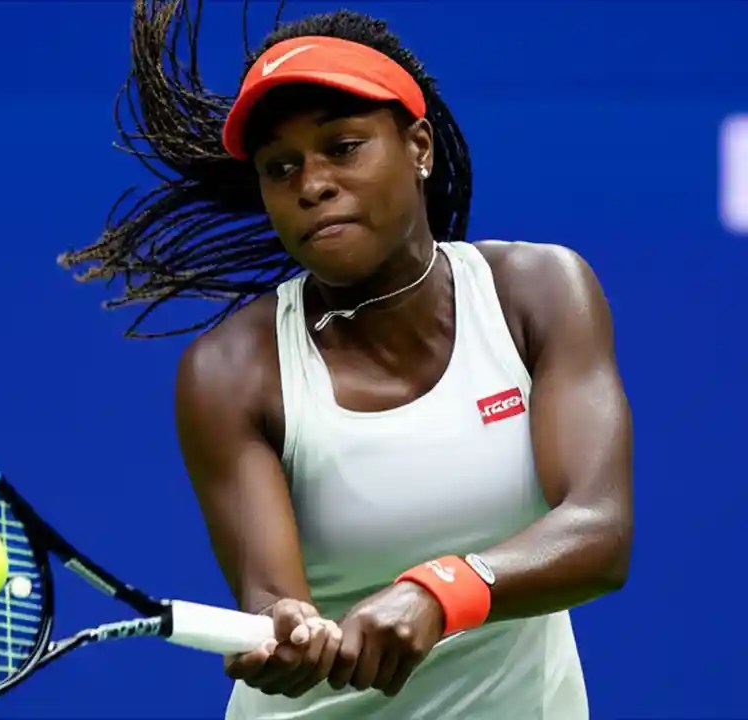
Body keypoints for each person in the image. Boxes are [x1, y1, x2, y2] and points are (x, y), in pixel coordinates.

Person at [58, 1, 635, 718]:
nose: (312, 184)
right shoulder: (233, 372)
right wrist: (286, 633)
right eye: (282, 167)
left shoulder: (539, 292)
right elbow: (272, 598)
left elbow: (599, 530)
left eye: (343, 145)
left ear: (419, 147)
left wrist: (439, 591)